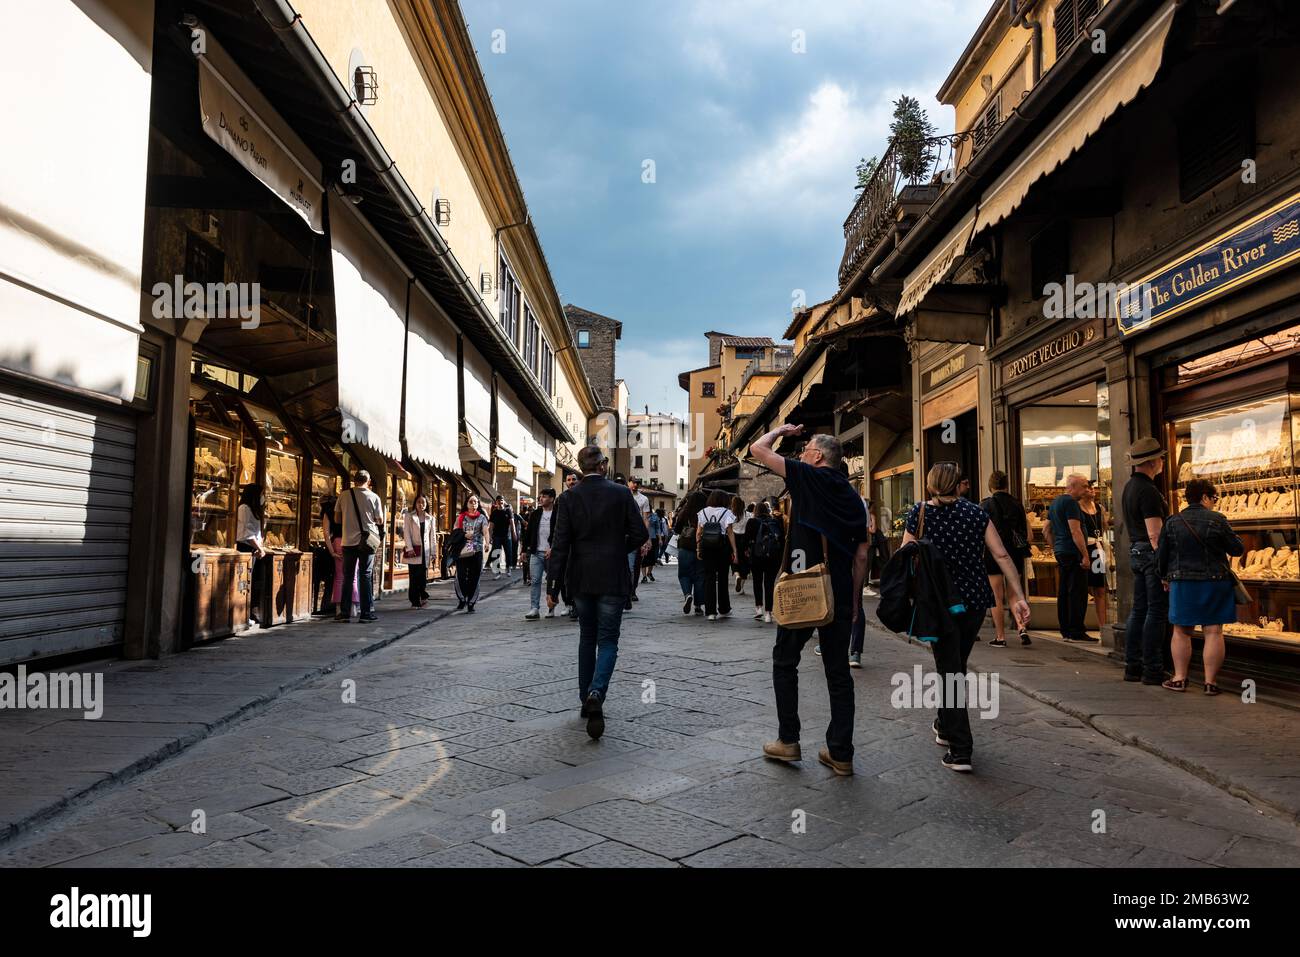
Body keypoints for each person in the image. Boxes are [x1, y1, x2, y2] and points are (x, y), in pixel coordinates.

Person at [751, 424, 871, 776]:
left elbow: (758, 449)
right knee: (838, 673)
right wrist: (855, 600)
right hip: (840, 590)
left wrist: (780, 429)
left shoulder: (807, 477)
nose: (800, 454)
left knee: (785, 660)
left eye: (804, 450)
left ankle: (788, 740)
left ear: (818, 456)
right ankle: (841, 752)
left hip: (805, 587)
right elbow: (862, 555)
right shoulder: (854, 498)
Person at [902, 461, 1031, 773]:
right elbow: (1001, 554)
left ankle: (961, 750)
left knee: (949, 671)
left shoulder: (920, 513)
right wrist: (1018, 596)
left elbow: (904, 554)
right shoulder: (976, 513)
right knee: (954, 665)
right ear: (959, 484)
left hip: (938, 603)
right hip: (974, 602)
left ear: (932, 484)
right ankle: (945, 725)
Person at [549, 446, 649, 739]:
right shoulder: (621, 494)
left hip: (581, 577)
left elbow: (561, 544)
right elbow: (641, 534)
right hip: (612, 577)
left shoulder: (568, 498)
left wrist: (553, 586)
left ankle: (585, 700)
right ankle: (596, 692)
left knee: (586, 638)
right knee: (608, 640)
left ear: (580, 468)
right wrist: (618, 550)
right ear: (603, 466)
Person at [1156, 479, 1244, 696]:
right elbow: (1237, 549)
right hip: (1215, 582)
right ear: (1205, 496)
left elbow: (1162, 555)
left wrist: (1164, 577)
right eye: (1214, 498)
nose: (1214, 503)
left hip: (1182, 582)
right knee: (1213, 631)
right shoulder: (1217, 520)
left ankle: (1179, 678)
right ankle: (1210, 683)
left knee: (1181, 630)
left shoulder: (1173, 521)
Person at [1122, 437, 1170, 684]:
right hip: (1150, 554)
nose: (1162, 462)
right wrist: (1164, 565)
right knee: (1156, 610)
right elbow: (1155, 532)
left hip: (1136, 552)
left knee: (1139, 609)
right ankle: (1152, 668)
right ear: (1152, 462)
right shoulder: (1148, 490)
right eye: (1160, 458)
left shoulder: (1130, 487)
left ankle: (1133, 665)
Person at [980, 471, 1031, 647]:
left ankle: (1000, 636)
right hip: (1014, 554)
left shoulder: (986, 505)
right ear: (1006, 485)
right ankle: (1021, 627)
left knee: (996, 596)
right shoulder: (1017, 504)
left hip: (993, 554)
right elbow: (1025, 532)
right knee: (1014, 594)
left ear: (991, 485)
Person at [1043, 473, 1094, 642]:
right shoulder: (1071, 503)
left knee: (1064, 591)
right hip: (1073, 552)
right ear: (1073, 486)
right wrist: (1085, 556)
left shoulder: (1056, 502)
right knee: (1077, 592)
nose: (1087, 489)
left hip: (1062, 551)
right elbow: (1075, 531)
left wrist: (1055, 547)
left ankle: (1066, 629)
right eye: (1084, 486)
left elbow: (1046, 530)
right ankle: (1076, 630)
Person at [333, 470, 385, 623]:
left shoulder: (344, 495)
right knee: (365, 576)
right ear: (368, 481)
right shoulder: (374, 497)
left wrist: (349, 521)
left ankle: (344, 613)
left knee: (348, 577)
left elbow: (336, 518)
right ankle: (366, 613)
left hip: (348, 541)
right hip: (367, 542)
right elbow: (380, 520)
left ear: (354, 480)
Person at [697, 490, 739, 621]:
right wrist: (735, 551)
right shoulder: (727, 513)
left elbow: (699, 532)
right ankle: (724, 609)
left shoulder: (702, 512)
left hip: (707, 547)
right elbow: (730, 532)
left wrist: (698, 548)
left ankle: (710, 612)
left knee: (709, 578)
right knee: (722, 578)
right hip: (722, 547)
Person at [745, 500, 784, 624]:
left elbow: (746, 540)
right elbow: (782, 540)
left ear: (755, 511)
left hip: (756, 557)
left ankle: (759, 608)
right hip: (772, 557)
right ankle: (768, 613)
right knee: (769, 584)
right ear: (767, 511)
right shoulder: (775, 522)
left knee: (757, 582)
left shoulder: (752, 522)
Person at [1079, 479, 1111, 631]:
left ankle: (1102, 626)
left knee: (1100, 588)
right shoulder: (1077, 508)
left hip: (1098, 551)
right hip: (1084, 549)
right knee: (1083, 587)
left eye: (1092, 488)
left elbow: (1104, 528)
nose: (1092, 490)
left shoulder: (1099, 508)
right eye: (1088, 487)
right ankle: (1079, 624)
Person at [523, 488, 557, 620]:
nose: (541, 499)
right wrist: (524, 550)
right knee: (535, 580)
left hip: (552, 553)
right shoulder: (536, 513)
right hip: (536, 552)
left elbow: (560, 533)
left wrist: (554, 548)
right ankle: (534, 608)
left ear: (552, 499)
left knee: (552, 581)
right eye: (540, 496)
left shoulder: (558, 513)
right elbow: (529, 532)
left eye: (544, 496)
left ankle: (551, 607)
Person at [236, 484, 267, 627]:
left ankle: (249, 613)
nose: (263, 497)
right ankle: (242, 615)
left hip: (254, 549)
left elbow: (256, 533)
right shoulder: (244, 509)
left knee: (251, 583)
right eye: (261, 494)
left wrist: (260, 547)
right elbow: (246, 534)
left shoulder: (254, 510)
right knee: (244, 583)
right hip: (245, 548)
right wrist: (259, 548)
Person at [453, 494, 490, 613]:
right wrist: (464, 535)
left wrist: (487, 542)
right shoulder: (461, 517)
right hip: (462, 550)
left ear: (478, 504)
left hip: (477, 550)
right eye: (471, 502)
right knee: (461, 576)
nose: (473, 504)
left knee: (475, 576)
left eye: (475, 502)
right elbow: (455, 532)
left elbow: (485, 531)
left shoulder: (482, 518)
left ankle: (471, 602)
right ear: (467, 504)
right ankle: (462, 598)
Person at [673, 491, 707, 616]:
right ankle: (698, 606)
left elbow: (676, 529)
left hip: (685, 546)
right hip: (701, 547)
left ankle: (687, 595)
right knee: (699, 576)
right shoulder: (705, 513)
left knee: (684, 575)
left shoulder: (685, 512)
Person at [403, 493, 433, 609]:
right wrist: (409, 548)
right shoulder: (409, 516)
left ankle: (422, 594)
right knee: (414, 576)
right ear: (415, 504)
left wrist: (434, 552)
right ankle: (414, 600)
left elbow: (432, 537)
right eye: (419, 502)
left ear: (426, 504)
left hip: (425, 551)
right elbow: (406, 533)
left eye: (423, 502)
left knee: (422, 577)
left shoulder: (430, 518)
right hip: (414, 550)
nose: (421, 504)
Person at [627, 477, 652, 604]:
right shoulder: (622, 495)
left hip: (636, 536)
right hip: (623, 535)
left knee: (636, 565)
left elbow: (646, 519)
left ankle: (632, 590)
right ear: (629, 483)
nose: (636, 485)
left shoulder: (643, 499)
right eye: (634, 482)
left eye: (638, 483)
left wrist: (646, 538)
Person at [488, 496, 515, 579]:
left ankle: (508, 569)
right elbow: (491, 526)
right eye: (499, 501)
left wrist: (514, 533)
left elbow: (512, 523)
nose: (500, 502)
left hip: (507, 536)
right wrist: (489, 536)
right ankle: (497, 572)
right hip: (496, 536)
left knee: (508, 553)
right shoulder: (494, 513)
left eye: (502, 500)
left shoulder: (508, 511)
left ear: (504, 501)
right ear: (496, 502)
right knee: (496, 553)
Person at [731, 495, 751, 594]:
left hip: (734, 538)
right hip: (745, 539)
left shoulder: (731, 515)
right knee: (745, 563)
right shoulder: (748, 515)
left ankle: (737, 576)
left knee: (735, 560)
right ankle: (741, 588)